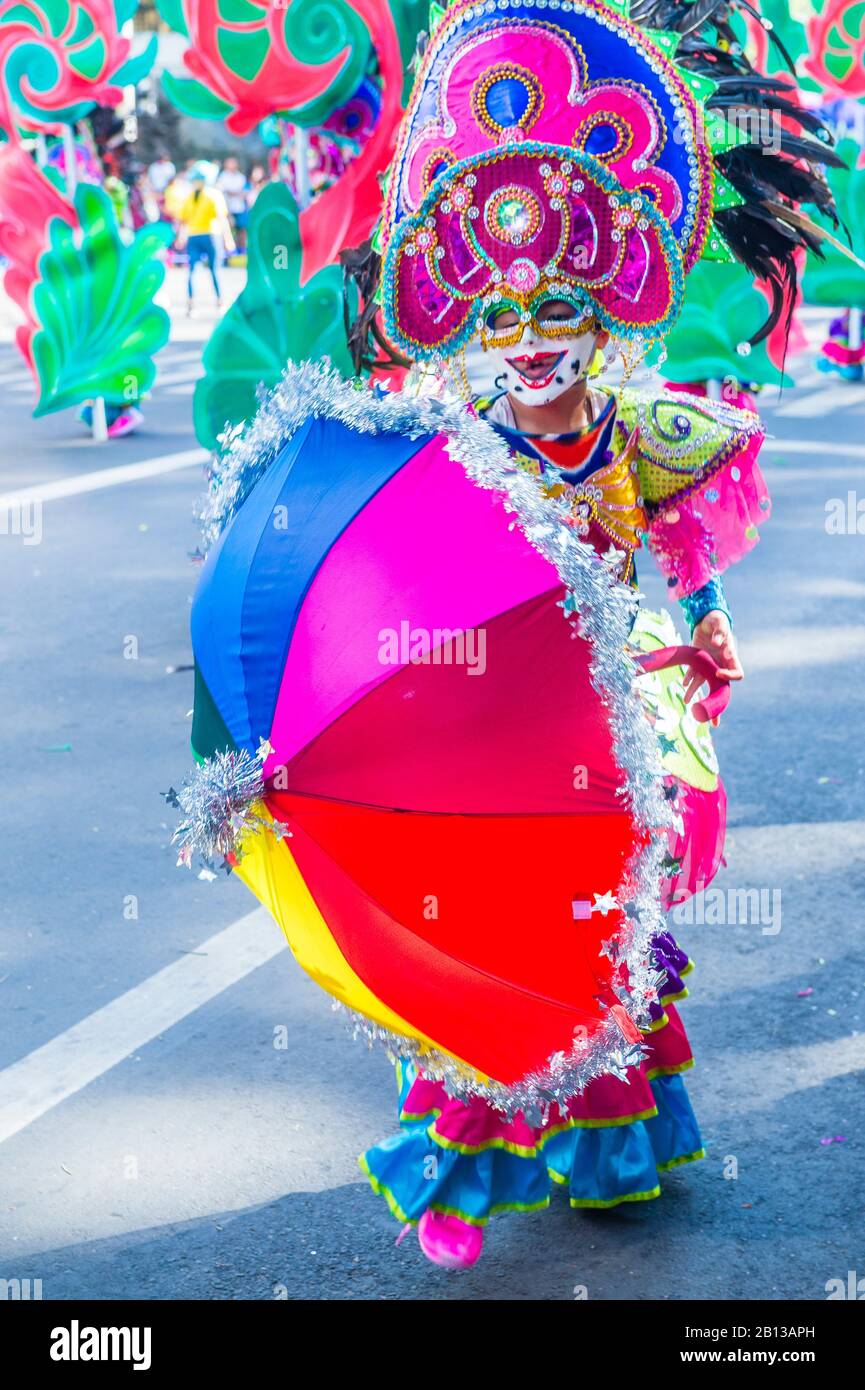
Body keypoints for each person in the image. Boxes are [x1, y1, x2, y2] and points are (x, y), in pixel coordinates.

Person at [176, 0, 840, 1269]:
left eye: (556, 325)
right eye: (502, 331)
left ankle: (608, 1153)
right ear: (472, 337)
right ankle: (460, 1164)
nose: (530, 350)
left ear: (603, 318)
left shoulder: (642, 433)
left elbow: (682, 562)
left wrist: (701, 636)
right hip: (478, 724)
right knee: (476, 928)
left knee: (599, 937)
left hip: (601, 722)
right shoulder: (452, 452)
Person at [176, 168, 234, 313]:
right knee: (215, 270)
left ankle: (191, 304)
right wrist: (228, 239)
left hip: (193, 236)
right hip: (211, 236)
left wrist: (181, 237)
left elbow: (183, 221)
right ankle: (220, 301)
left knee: (192, 270)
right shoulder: (214, 195)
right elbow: (222, 219)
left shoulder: (189, 197)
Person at [216, 155, 249, 253]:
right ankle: (226, 253)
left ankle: (241, 251)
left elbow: (243, 192)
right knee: (226, 231)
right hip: (227, 209)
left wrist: (234, 192)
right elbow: (223, 191)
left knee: (242, 230)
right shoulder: (223, 176)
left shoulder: (241, 177)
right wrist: (234, 193)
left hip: (239, 208)